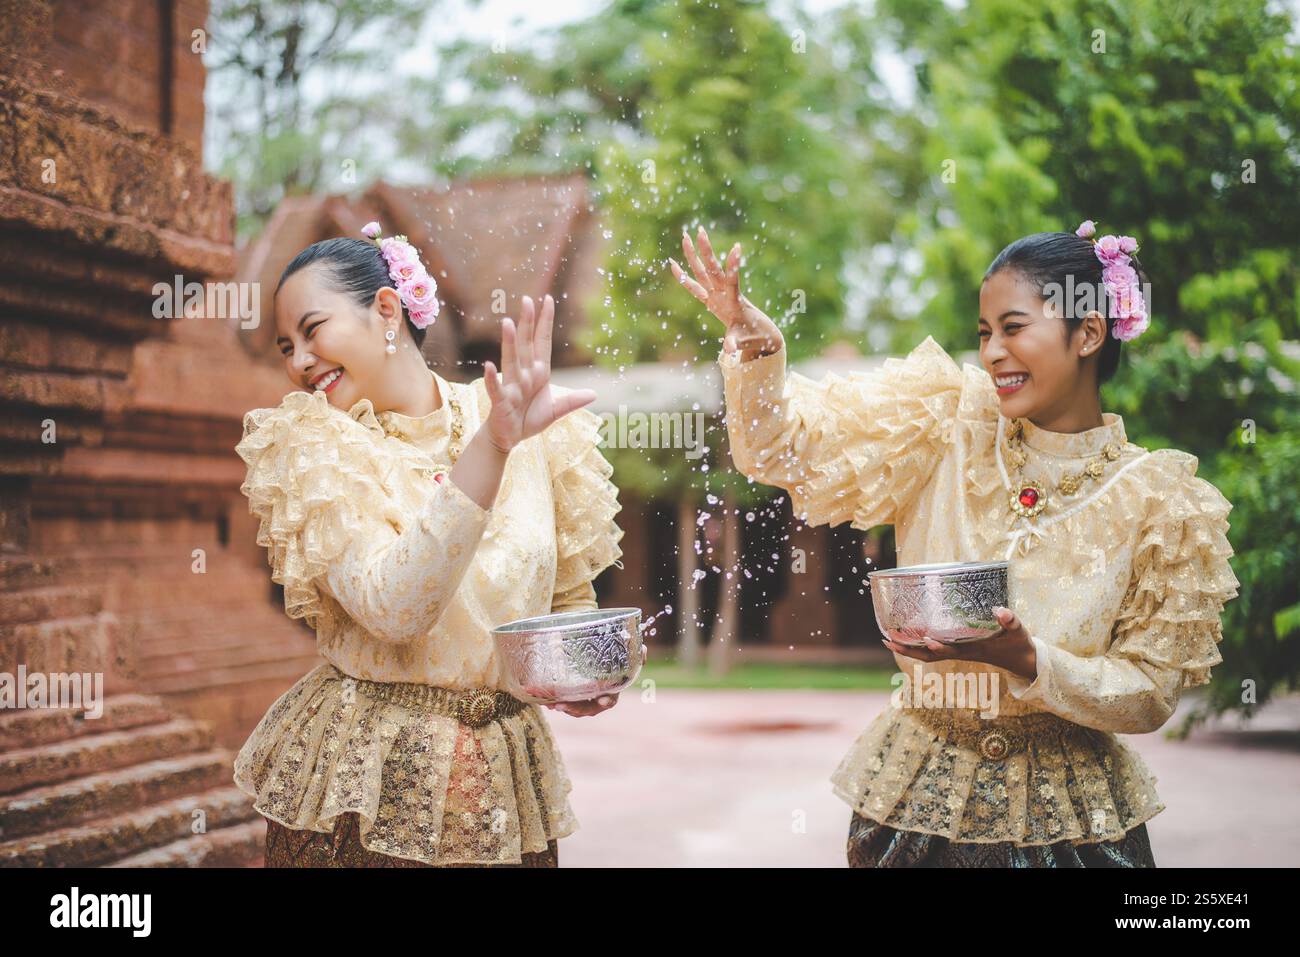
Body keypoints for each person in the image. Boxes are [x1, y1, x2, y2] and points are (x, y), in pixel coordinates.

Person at [670, 221, 1240, 867]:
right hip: (914, 804)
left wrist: (1031, 660)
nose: (993, 351)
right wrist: (755, 345)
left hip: (1073, 827)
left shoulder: (1161, 498)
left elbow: (1149, 693)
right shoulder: (944, 423)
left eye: (1015, 326)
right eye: (984, 333)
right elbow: (782, 452)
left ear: (1087, 333)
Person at [233, 223, 626, 867]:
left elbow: (565, 601)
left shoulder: (528, 424)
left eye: (313, 329)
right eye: (285, 345)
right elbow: (395, 608)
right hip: (365, 795)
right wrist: (493, 448)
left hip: (505, 789)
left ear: (386, 309)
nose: (299, 360)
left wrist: (579, 671)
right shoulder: (314, 449)